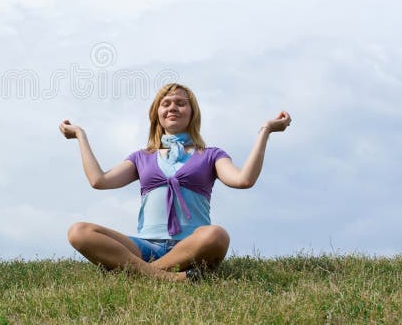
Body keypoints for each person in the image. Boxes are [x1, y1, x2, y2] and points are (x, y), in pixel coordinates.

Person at [59, 82, 292, 282]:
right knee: (79, 231)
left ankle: (137, 274)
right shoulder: (143, 156)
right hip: (144, 247)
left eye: (181, 103)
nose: (173, 107)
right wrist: (80, 135)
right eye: (166, 103)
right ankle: (170, 278)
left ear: (192, 113)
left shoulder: (210, 154)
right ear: (156, 113)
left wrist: (265, 131)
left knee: (216, 235)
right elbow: (99, 180)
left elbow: (244, 180)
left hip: (191, 246)